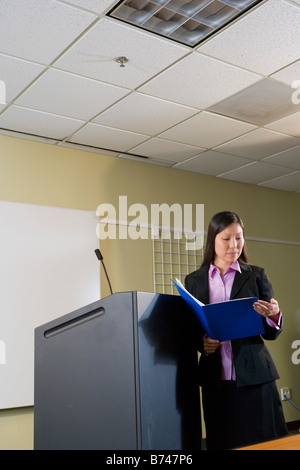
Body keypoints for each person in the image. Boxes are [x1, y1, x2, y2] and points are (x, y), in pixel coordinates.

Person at [185, 211, 288, 450]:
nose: (234, 245)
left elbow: (271, 333)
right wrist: (202, 344)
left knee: (265, 443)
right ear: (213, 240)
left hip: (255, 377)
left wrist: (273, 315)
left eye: (239, 238)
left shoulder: (256, 275)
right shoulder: (194, 281)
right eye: (226, 238)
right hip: (215, 381)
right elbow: (190, 331)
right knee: (223, 442)